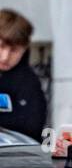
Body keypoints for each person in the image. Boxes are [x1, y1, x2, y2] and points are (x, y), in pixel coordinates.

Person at [0, 9, 47, 141]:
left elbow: (33, 127)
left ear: (24, 49)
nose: (5, 57)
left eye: (14, 50)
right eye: (1, 46)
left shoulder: (29, 82)